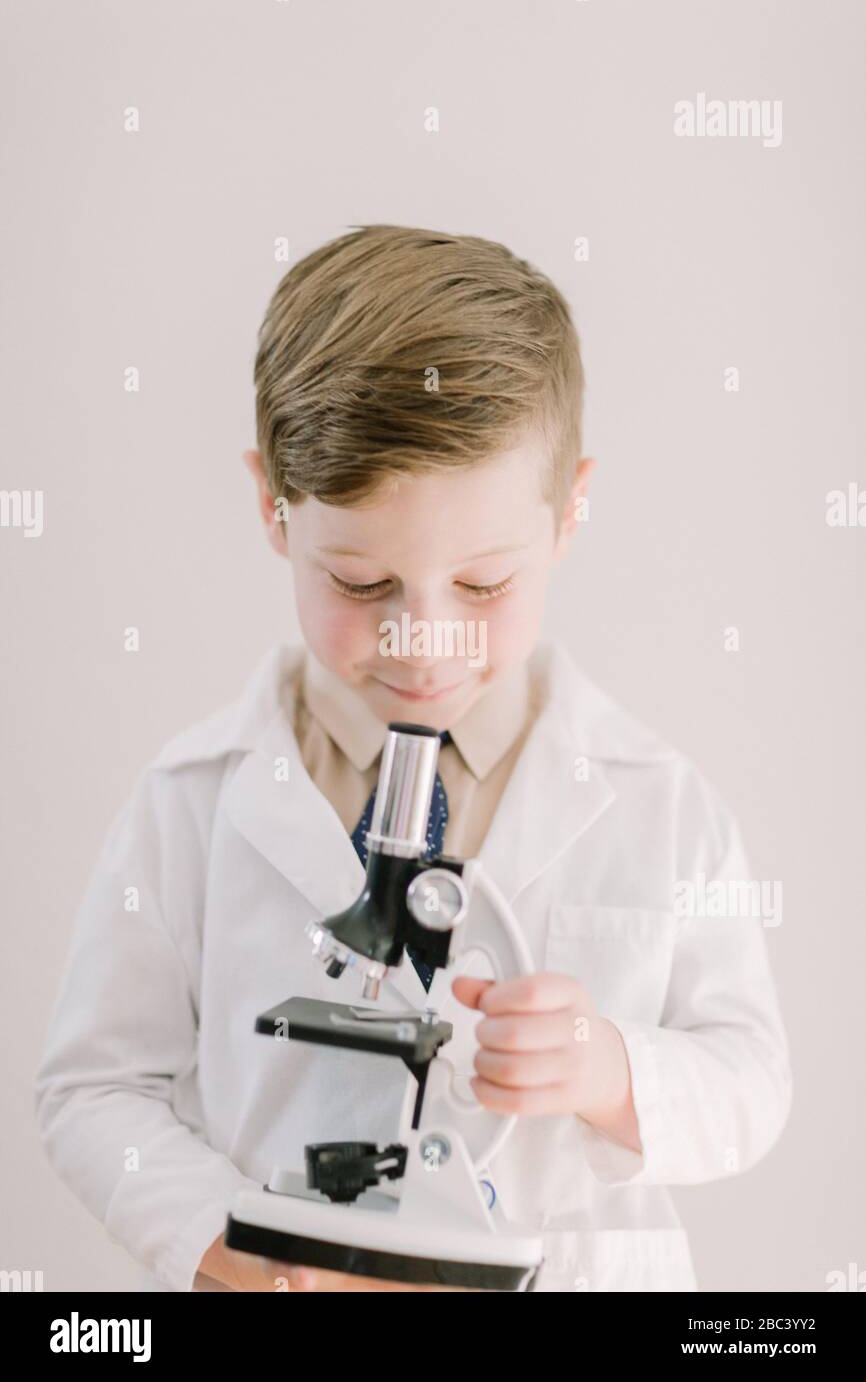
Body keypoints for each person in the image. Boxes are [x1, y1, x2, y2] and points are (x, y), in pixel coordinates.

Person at [33, 224, 792, 1292]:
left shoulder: (657, 806)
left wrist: (606, 1064)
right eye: (358, 585)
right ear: (271, 506)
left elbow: (750, 1079)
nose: (420, 640)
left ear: (570, 507)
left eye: (481, 587)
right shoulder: (191, 802)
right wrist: (241, 1251)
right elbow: (92, 1089)